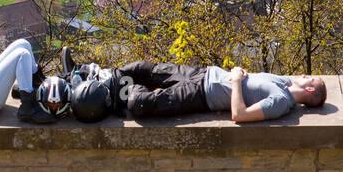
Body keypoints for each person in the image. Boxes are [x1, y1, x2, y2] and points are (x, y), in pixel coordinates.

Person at [60, 49, 326, 123]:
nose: (304, 74)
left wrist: (235, 81)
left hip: (202, 95)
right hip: (203, 73)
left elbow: (240, 115)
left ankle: (106, 95)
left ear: (311, 90)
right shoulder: (283, 81)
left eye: (309, 78)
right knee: (143, 68)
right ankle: (82, 75)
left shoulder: (281, 102)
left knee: (140, 104)